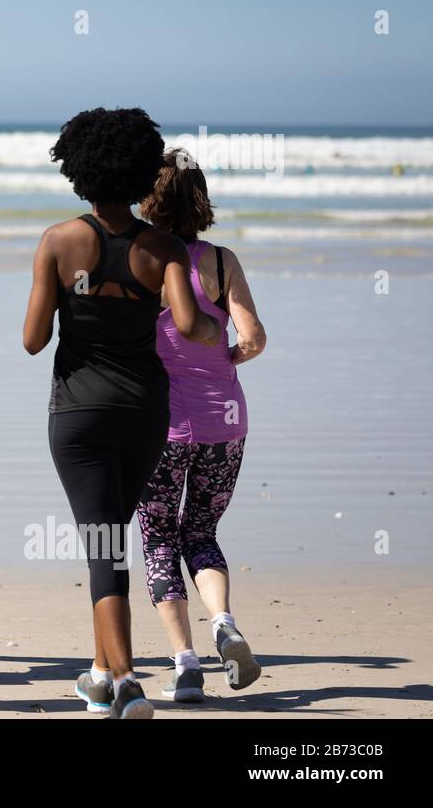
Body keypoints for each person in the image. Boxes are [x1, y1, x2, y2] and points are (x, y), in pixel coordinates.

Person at [22, 108, 222, 719]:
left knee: (104, 544)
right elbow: (189, 325)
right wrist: (221, 330)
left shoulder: (58, 241)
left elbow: (32, 340)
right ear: (141, 173)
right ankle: (101, 674)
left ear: (78, 171)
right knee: (110, 535)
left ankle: (128, 680)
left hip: (80, 411)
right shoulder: (161, 247)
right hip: (144, 413)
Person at [136, 148, 267, 702]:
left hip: (161, 429)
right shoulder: (220, 261)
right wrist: (228, 360)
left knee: (159, 539)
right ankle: (224, 623)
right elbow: (255, 337)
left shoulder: (140, 259)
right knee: (202, 533)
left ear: (150, 199)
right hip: (226, 424)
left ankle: (186, 663)